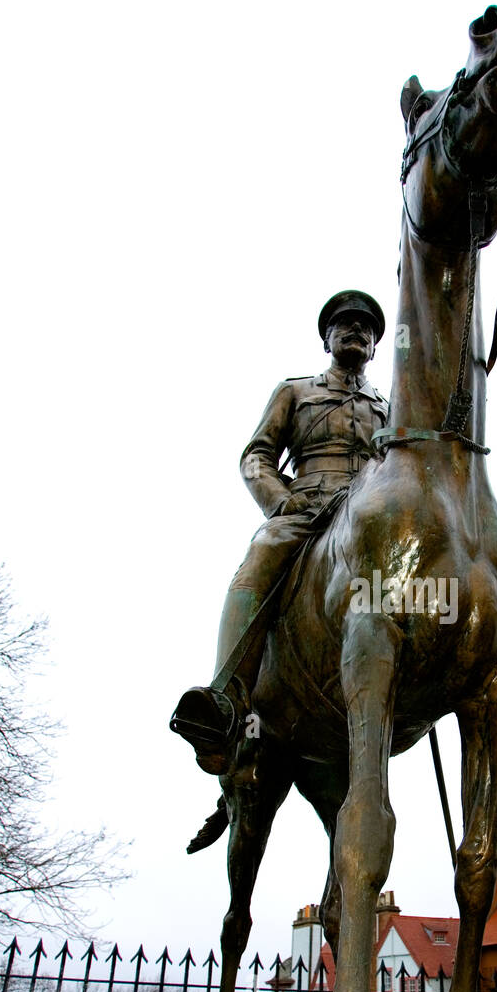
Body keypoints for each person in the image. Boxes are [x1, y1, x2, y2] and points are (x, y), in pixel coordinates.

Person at [170, 290, 389, 773]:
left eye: (367, 329)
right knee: (264, 550)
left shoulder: (390, 409)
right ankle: (225, 701)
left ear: (375, 347)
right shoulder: (295, 392)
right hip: (308, 508)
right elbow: (256, 456)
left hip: (373, 513)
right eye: (345, 324)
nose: (356, 331)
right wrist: (280, 500)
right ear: (327, 338)